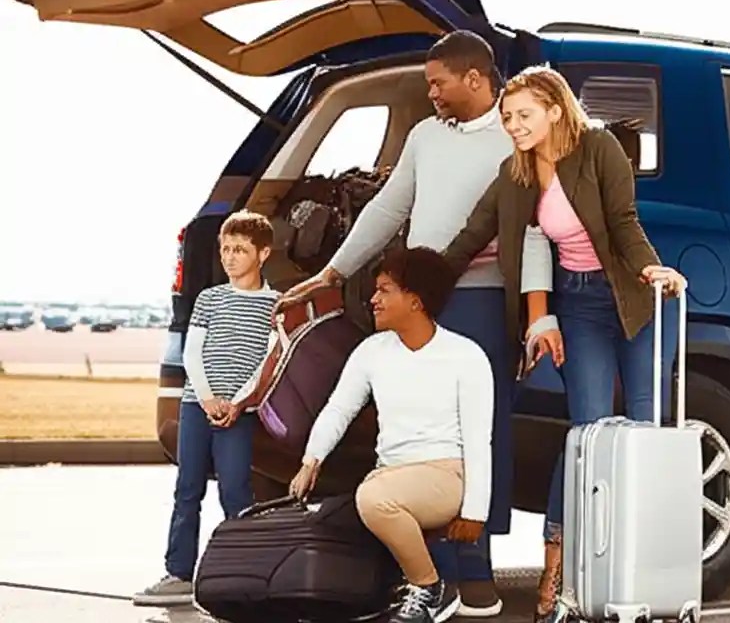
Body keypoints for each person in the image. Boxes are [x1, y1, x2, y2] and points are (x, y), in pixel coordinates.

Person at [275, 31, 554, 617]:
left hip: (482, 297)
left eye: (438, 83)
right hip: (423, 298)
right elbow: (389, 207)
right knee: (409, 424)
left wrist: (535, 314)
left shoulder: (515, 136)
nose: (431, 94)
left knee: (478, 427)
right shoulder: (425, 137)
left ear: (475, 78)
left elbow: (534, 231)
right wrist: (334, 271)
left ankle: (473, 569)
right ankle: (426, 572)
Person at [439, 65, 687, 622]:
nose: (514, 125)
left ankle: (640, 568)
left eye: (523, 115)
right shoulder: (518, 172)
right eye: (507, 118)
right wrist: (421, 282)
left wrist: (652, 270)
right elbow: (475, 232)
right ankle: (559, 562)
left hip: (631, 296)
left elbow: (624, 224)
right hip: (578, 306)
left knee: (644, 430)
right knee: (587, 434)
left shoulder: (600, 149)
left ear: (555, 109)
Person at [289, 246, 493, 623]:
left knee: (373, 498)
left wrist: (476, 512)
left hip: (447, 476)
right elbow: (339, 409)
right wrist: (311, 459)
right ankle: (399, 588)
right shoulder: (371, 351)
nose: (373, 299)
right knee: (364, 500)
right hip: (391, 476)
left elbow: (480, 440)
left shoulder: (466, 356)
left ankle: (430, 587)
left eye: (384, 290)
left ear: (415, 301)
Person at [133, 210, 279, 606]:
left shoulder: (276, 305)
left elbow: (268, 360)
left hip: (239, 413)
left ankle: (243, 573)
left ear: (263, 254)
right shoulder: (210, 299)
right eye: (226, 249)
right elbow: (193, 352)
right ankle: (179, 573)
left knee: (235, 491)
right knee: (187, 488)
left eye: (240, 249)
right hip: (198, 407)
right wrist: (207, 397)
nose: (230, 257)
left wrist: (239, 402)